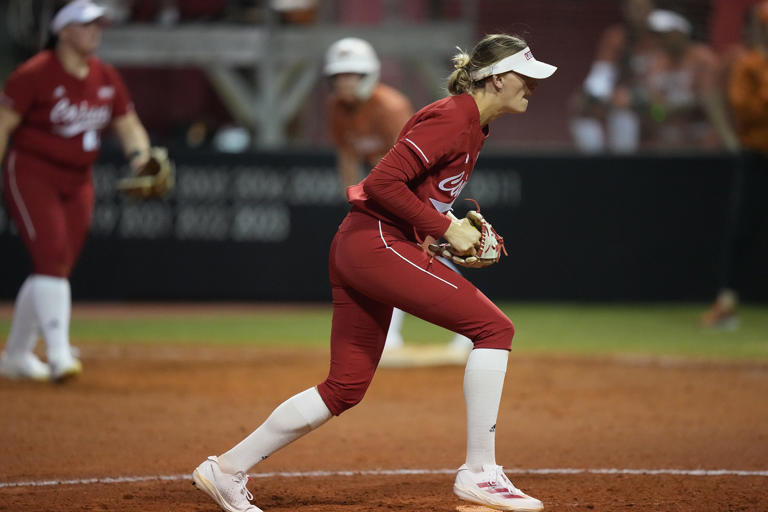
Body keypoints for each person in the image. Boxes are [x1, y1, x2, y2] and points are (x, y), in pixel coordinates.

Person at [192, 33, 556, 512]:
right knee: (493, 328)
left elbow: (413, 195)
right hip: (376, 243)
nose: (531, 86)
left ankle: (226, 469)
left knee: (344, 388)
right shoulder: (453, 116)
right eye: (525, 77)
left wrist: (440, 233)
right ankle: (481, 473)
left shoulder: (474, 125)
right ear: (497, 77)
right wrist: (447, 226)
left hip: (367, 244)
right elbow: (381, 181)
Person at [0, 0, 154, 381]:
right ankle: (58, 355)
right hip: (33, 172)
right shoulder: (34, 73)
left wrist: (140, 158)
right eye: (86, 25)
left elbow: (129, 125)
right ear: (63, 30)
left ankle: (17, 355)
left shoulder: (105, 76)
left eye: (98, 24)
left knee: (57, 264)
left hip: (79, 178)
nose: (95, 31)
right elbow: (3, 124)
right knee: (51, 257)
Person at [325, 36, 473, 366]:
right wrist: (355, 203)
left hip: (418, 189)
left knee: (417, 257)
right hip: (383, 192)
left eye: (351, 74)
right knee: (395, 263)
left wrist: (416, 213)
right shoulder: (337, 108)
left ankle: (469, 322)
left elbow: (413, 165)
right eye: (337, 76)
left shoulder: (391, 107)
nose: (343, 82)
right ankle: (392, 338)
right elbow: (348, 156)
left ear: (368, 76)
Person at [701, 0, 768, 328]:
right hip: (756, 156)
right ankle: (727, 302)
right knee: (742, 230)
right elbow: (747, 110)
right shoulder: (748, 64)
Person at [640, 9, 739, 151]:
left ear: (680, 33)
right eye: (656, 35)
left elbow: (709, 99)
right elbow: (654, 107)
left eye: (664, 34)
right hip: (666, 142)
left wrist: (671, 109)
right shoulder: (656, 64)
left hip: (702, 139)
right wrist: (660, 112)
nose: (659, 40)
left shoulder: (702, 58)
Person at [570, 0, 657, 153]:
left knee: (624, 107)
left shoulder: (663, 36)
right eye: (634, 8)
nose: (638, 13)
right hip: (630, 99)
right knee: (583, 107)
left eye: (642, 8)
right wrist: (595, 96)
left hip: (659, 107)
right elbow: (602, 74)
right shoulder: (617, 37)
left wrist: (635, 95)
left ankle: (625, 166)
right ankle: (596, 166)